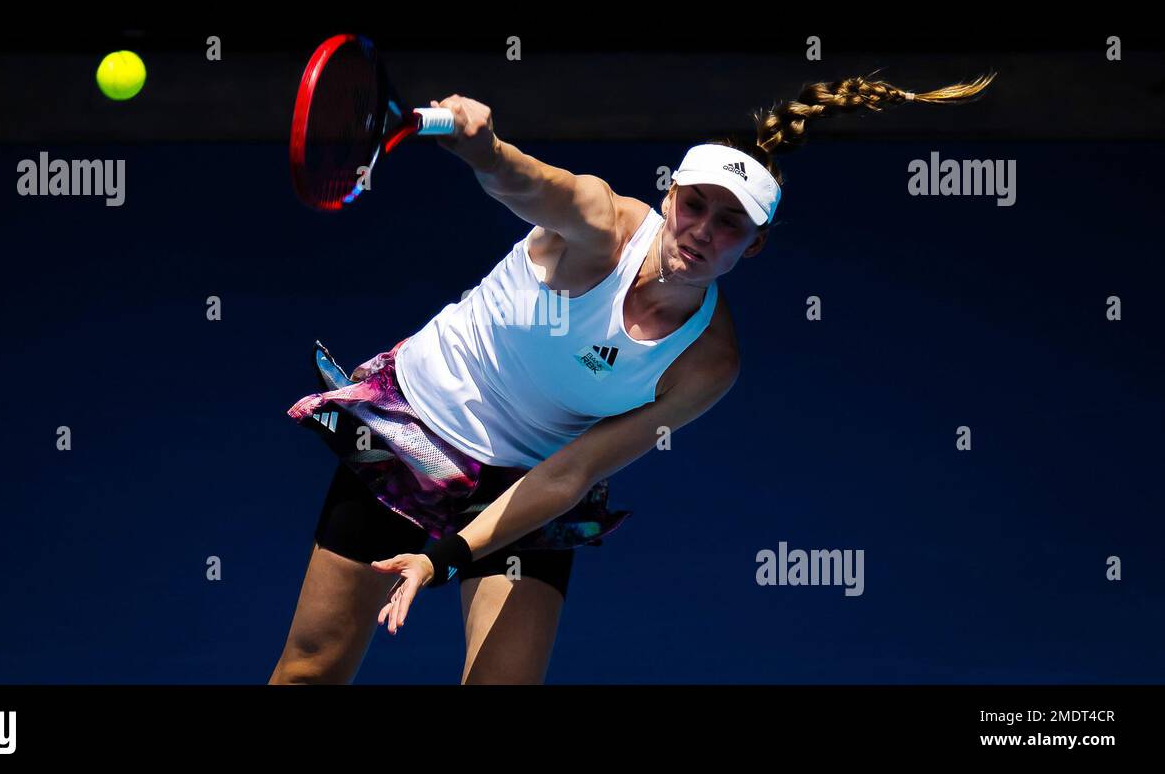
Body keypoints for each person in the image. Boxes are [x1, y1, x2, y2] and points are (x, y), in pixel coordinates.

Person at [269, 71, 995, 684]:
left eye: (730, 224)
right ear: (671, 193)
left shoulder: (708, 362)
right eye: (695, 204)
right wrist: (483, 148)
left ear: (754, 247)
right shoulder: (601, 224)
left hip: (530, 482)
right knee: (313, 666)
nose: (703, 230)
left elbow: (571, 473)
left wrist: (442, 560)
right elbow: (524, 182)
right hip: (420, 427)